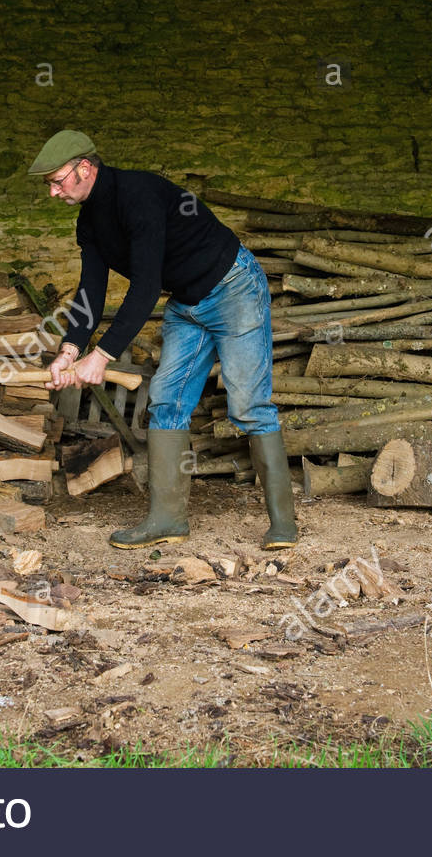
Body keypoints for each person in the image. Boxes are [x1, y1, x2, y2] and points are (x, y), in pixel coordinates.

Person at [30, 129, 296, 551]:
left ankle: (283, 523)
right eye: (49, 184)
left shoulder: (139, 194)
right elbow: (91, 290)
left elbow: (145, 286)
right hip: (188, 303)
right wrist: (70, 350)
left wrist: (102, 355)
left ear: (85, 168)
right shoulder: (90, 221)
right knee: (167, 402)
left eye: (57, 181)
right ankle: (167, 519)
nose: (52, 192)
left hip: (234, 290)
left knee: (248, 404)